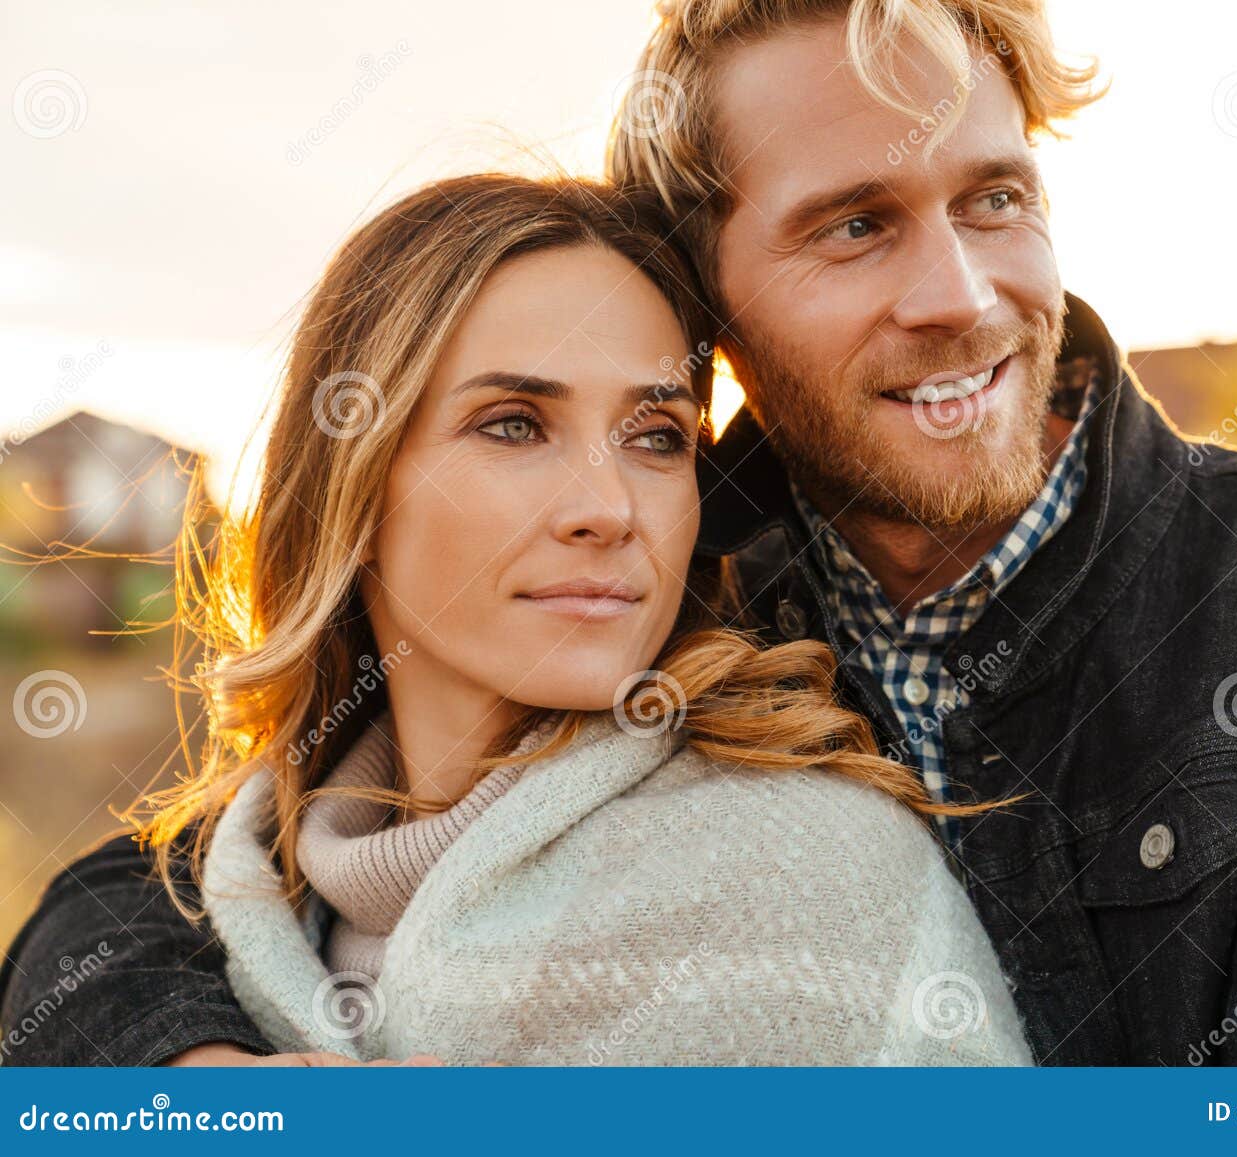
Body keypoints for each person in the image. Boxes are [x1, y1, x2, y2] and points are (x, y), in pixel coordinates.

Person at [3, 0, 1237, 1066]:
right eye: (855, 225)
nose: (963, 297)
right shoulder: (647, 569)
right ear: (714, 302)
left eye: (994, 199)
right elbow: (162, 888)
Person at [2, 173, 1033, 1067]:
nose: (608, 507)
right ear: (352, 493)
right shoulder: (243, 886)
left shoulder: (813, 882)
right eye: (513, 424)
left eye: (656, 435)